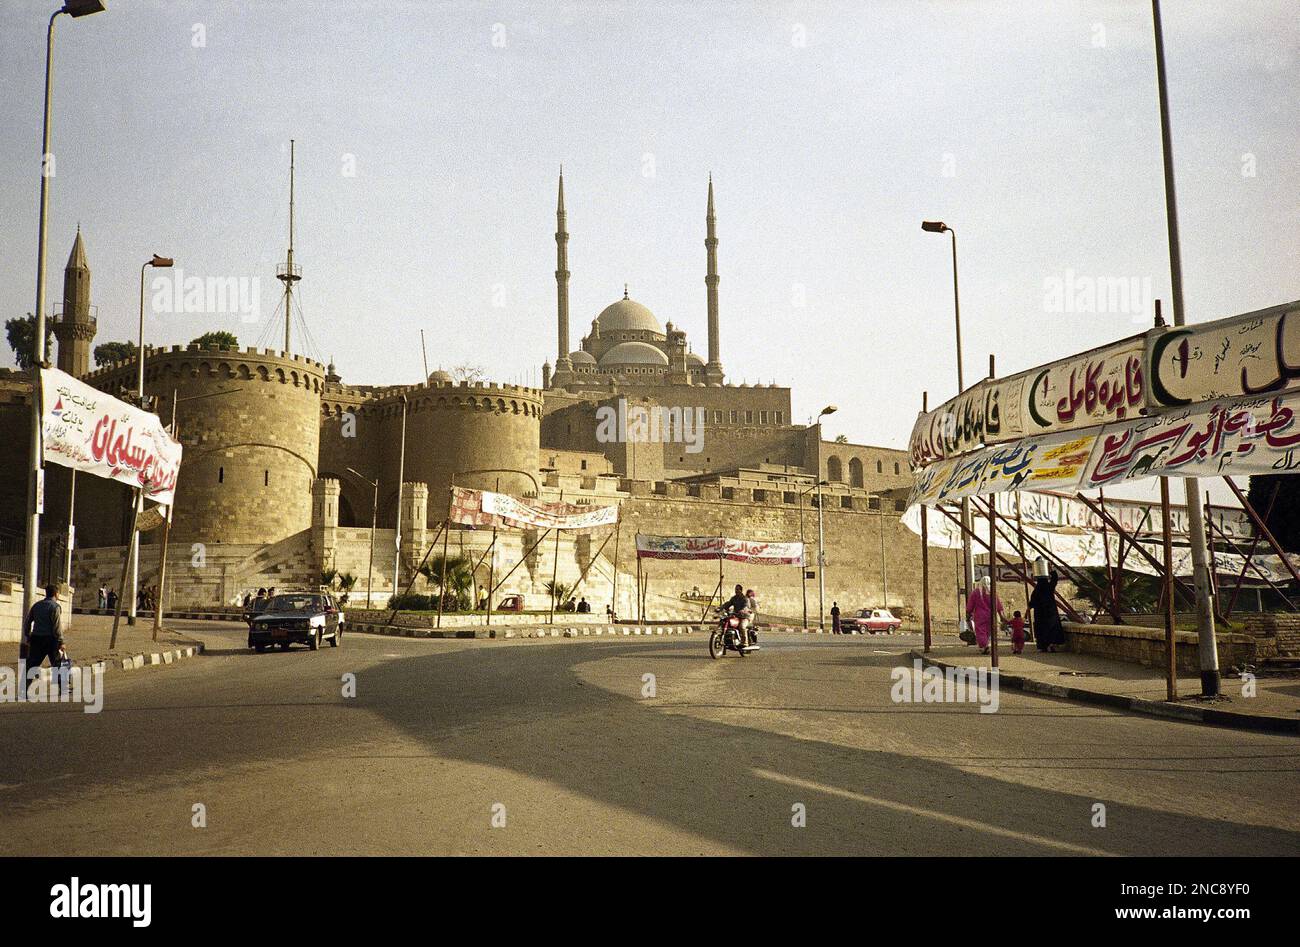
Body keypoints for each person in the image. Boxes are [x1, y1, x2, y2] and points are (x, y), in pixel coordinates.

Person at [22, 584, 65, 693]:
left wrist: (28, 635)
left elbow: (27, 622)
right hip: (51, 640)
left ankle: (24, 689)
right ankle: (62, 687)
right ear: (56, 594)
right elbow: (57, 627)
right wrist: (61, 641)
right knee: (57, 664)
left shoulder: (36, 606)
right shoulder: (55, 607)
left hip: (36, 639)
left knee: (32, 664)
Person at [965, 576, 1005, 655]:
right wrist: (1001, 616)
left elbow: (970, 605)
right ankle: (986, 644)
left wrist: (968, 613)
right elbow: (998, 605)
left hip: (980, 616)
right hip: (991, 615)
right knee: (988, 631)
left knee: (980, 631)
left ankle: (984, 646)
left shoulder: (976, 592)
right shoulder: (992, 592)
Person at [1030, 564, 1065, 653]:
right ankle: (1052, 644)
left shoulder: (1037, 590)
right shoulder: (1049, 587)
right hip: (1050, 612)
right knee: (1052, 629)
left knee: (1042, 630)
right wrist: (1052, 570)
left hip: (1040, 614)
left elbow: (1032, 603)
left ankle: (1043, 646)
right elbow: (1054, 580)